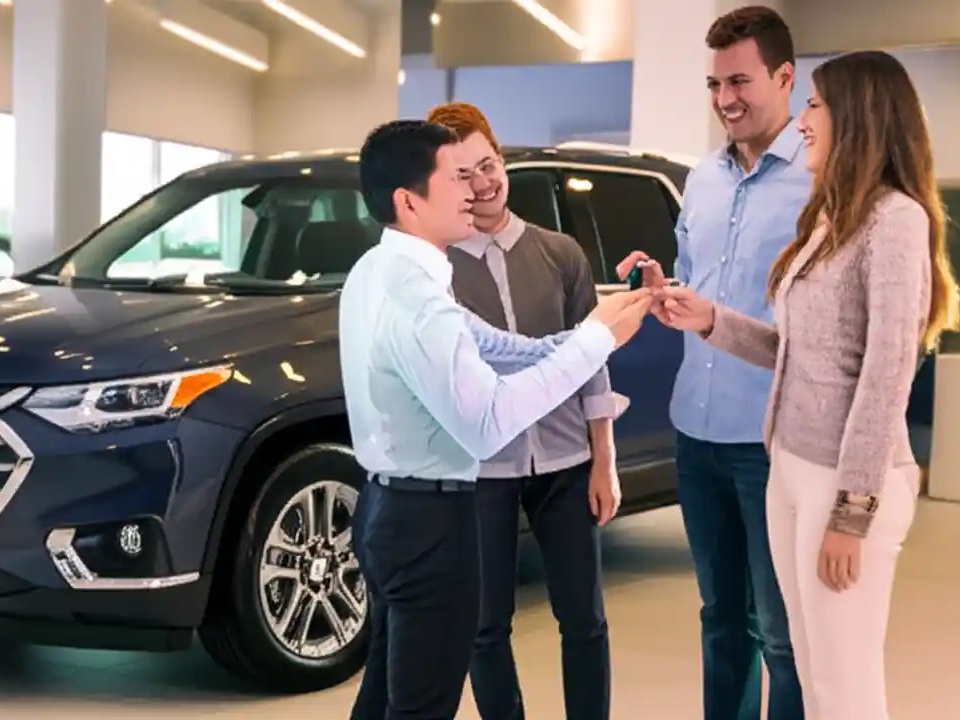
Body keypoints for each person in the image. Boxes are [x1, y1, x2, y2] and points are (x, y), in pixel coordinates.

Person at [656, 50, 960, 720]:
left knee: (843, 685)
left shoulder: (895, 220)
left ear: (859, 118)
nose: (804, 122)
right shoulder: (831, 220)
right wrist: (711, 320)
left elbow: (885, 376)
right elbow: (800, 353)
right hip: (790, 467)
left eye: (817, 105)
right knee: (814, 669)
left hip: (844, 483)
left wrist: (852, 515)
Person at [340, 119, 653, 720]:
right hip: (429, 519)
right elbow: (489, 422)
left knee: (383, 696)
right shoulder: (421, 299)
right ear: (410, 202)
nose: (472, 191)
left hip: (388, 509)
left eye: (478, 170)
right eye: (455, 178)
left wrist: (598, 327)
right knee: (420, 706)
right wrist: (596, 343)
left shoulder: (381, 270)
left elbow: (499, 344)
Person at [617, 6, 809, 718]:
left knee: (784, 634)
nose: (725, 98)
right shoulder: (702, 179)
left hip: (771, 439)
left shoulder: (820, 184)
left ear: (784, 77)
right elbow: (699, 284)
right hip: (694, 435)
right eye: (713, 83)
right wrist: (664, 288)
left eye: (740, 80)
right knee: (722, 620)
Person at [426, 100, 619, 720]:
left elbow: (593, 361)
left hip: (566, 462)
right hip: (482, 467)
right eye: (463, 175)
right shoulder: (436, 271)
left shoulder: (561, 254)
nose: (482, 184)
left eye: (488, 165)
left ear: (503, 161)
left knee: (584, 617)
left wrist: (603, 462)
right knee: (484, 625)